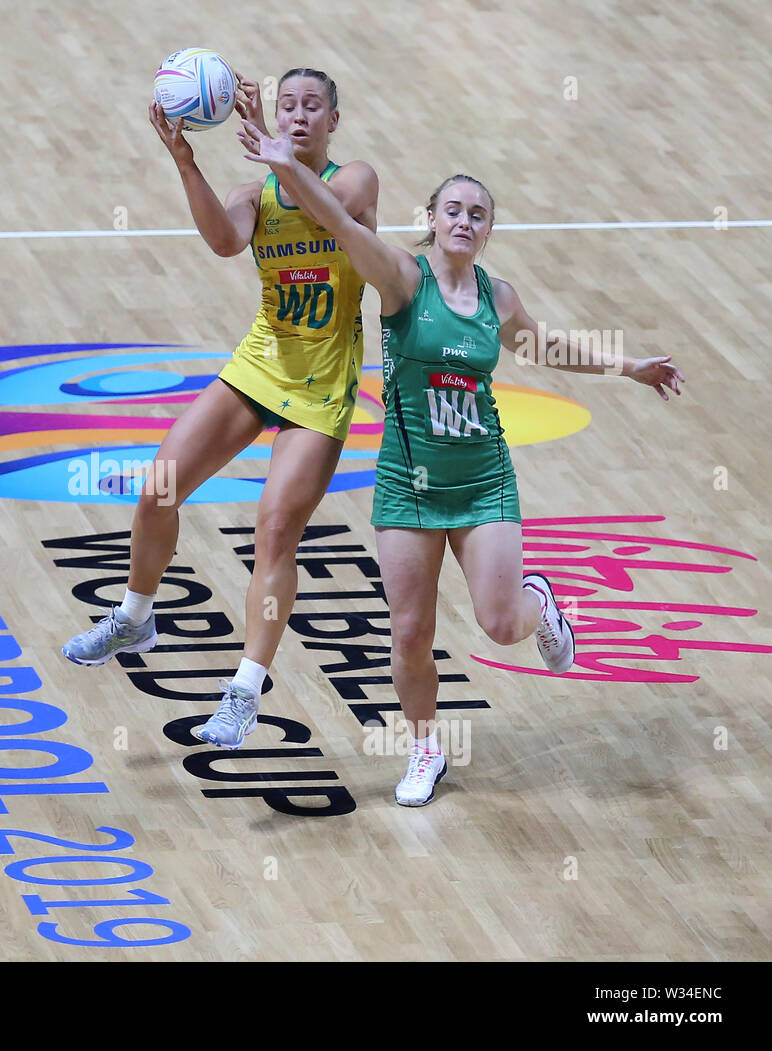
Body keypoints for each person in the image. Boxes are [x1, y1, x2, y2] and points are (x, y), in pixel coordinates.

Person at [237, 118, 685, 803]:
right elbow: (339, 225)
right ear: (432, 219)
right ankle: (423, 751)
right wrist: (289, 169)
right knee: (411, 632)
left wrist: (629, 367)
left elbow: (545, 348)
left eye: (478, 214)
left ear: (489, 229)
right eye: (454, 210)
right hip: (408, 487)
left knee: (502, 624)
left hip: (481, 482)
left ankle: (544, 602)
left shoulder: (497, 297)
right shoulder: (400, 279)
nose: (465, 221)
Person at [61, 68, 379, 750]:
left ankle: (243, 691)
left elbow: (332, 216)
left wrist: (279, 155)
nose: (297, 115)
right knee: (158, 489)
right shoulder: (257, 188)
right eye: (286, 104)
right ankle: (134, 615)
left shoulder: (357, 180)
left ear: (334, 120)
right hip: (263, 362)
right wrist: (186, 164)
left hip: (322, 385)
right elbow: (225, 241)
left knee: (275, 531)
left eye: (311, 107)